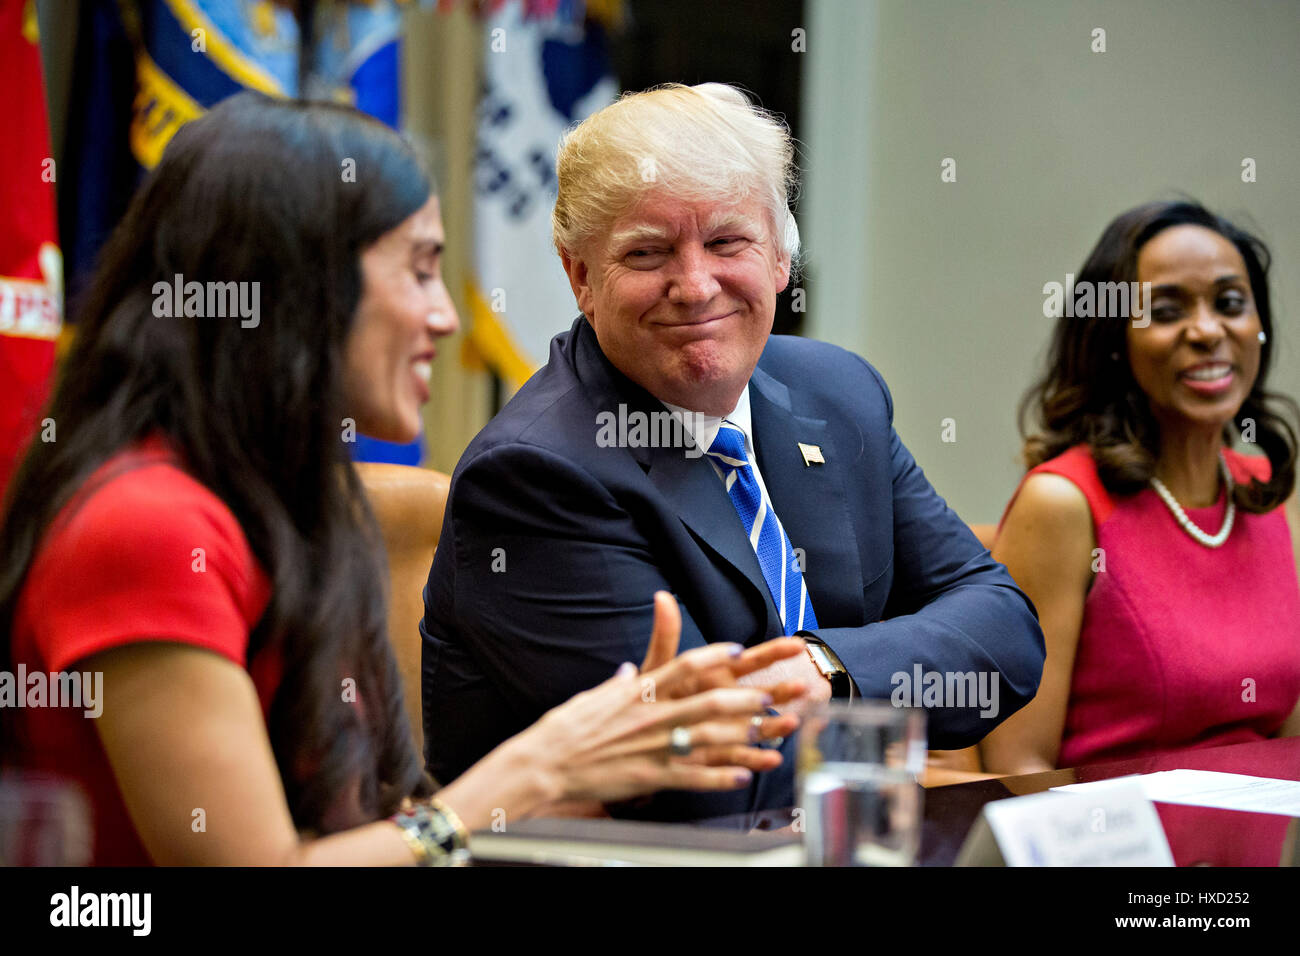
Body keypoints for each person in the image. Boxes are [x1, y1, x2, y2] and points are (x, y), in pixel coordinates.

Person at [0, 92, 809, 866]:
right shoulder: (147, 525)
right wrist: (538, 769)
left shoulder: (298, 500)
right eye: (419, 270)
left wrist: (605, 767)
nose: (446, 316)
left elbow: (386, 829)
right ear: (301, 290)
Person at [421, 82, 1045, 820]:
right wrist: (893, 701)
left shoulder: (837, 394)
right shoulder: (535, 474)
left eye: (727, 242)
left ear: (781, 257)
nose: (694, 285)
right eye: (647, 253)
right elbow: (693, 774)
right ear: (581, 277)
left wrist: (830, 669)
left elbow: (1006, 634)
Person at [979, 200, 1300, 776]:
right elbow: (1017, 764)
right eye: (1168, 310)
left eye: (1230, 303)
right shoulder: (1064, 503)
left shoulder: (1274, 495)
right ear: (1113, 338)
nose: (1207, 331)